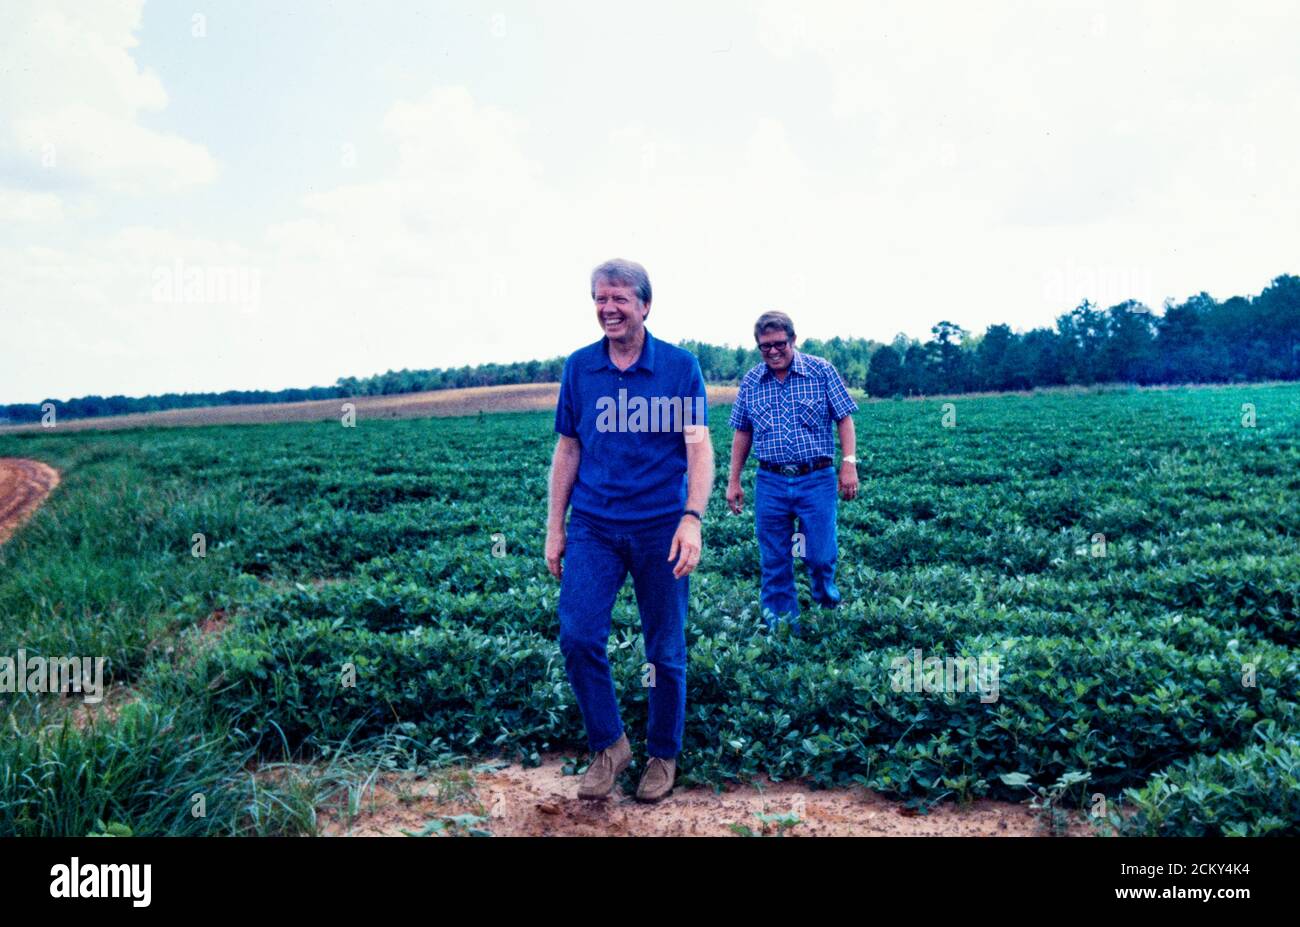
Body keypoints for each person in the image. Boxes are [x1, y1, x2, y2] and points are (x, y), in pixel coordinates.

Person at [545, 258, 714, 802]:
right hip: (594, 525)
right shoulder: (579, 368)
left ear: (644, 304)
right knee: (577, 634)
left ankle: (662, 755)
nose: (608, 308)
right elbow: (568, 447)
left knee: (664, 647)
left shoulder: (679, 367)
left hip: (660, 526)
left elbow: (698, 446)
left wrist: (693, 518)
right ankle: (610, 744)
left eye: (619, 299)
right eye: (599, 298)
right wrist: (555, 527)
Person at [725, 311, 859, 634]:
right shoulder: (751, 381)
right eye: (764, 346)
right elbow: (742, 433)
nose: (772, 351)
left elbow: (844, 418)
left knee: (820, 554)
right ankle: (783, 628)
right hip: (770, 480)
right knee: (774, 559)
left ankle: (827, 608)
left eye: (778, 344)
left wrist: (849, 463)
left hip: (816, 478)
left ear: (793, 340)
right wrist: (733, 480)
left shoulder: (820, 370)